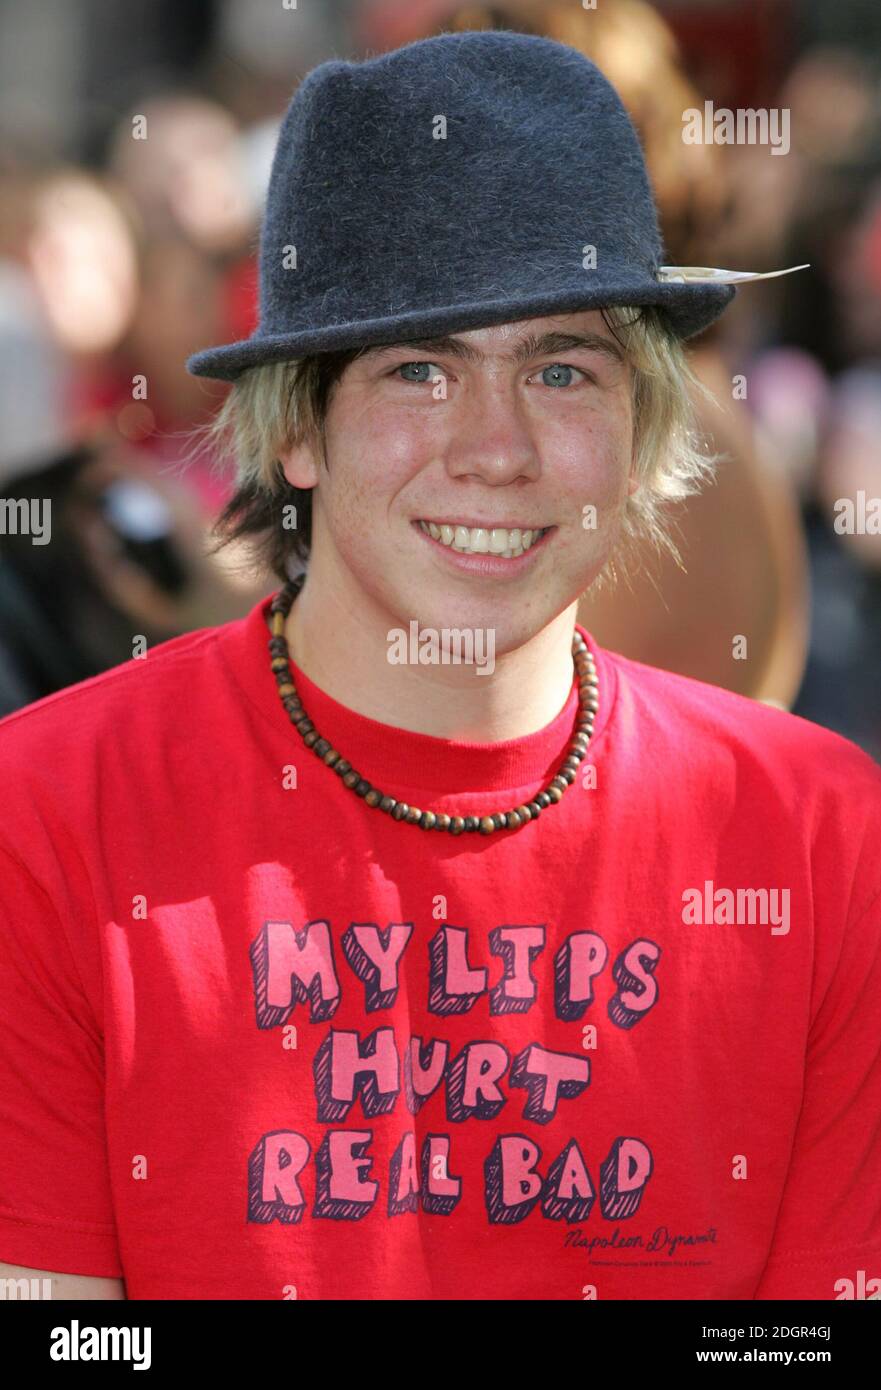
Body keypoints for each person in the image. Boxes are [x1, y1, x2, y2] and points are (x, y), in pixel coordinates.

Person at [0, 31, 878, 1302]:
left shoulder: (821, 834)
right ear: (294, 423)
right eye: (419, 368)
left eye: (562, 369)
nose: (496, 448)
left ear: (637, 433)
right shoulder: (44, 813)